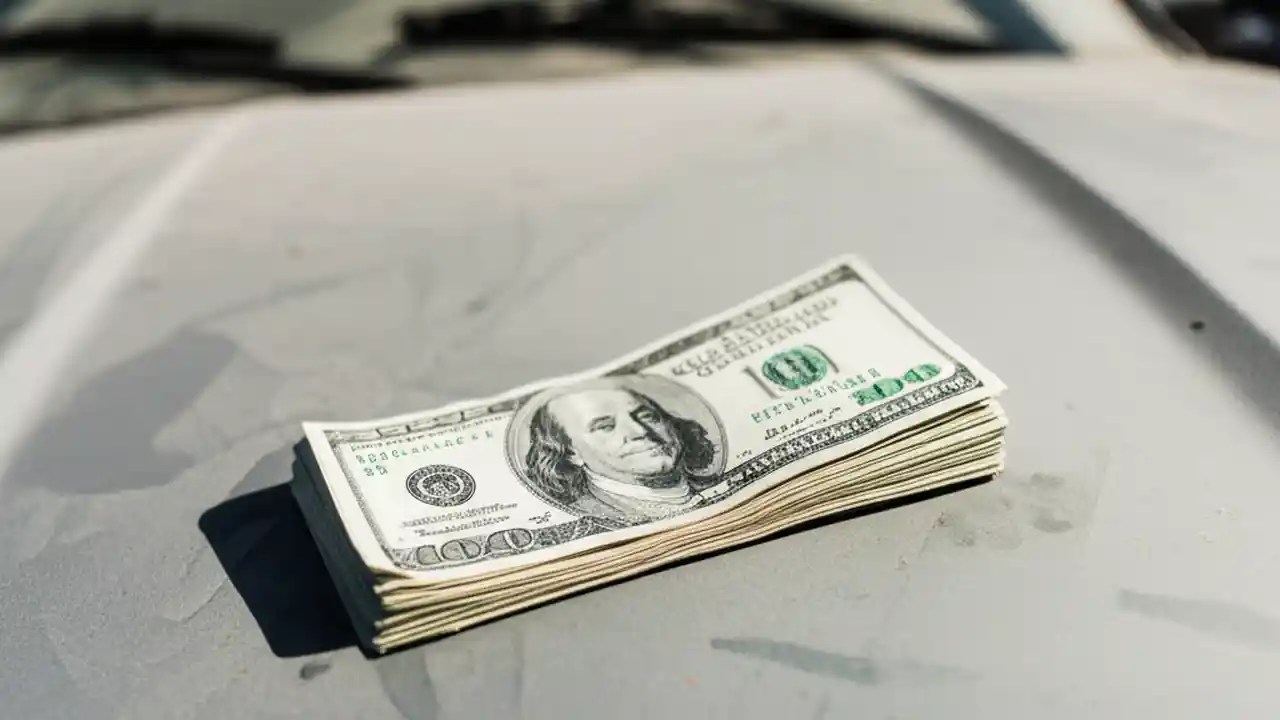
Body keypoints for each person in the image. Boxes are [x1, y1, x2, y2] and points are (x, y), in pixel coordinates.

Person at [524, 384, 719, 523]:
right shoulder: (591, 518)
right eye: (606, 426)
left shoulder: (719, 487)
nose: (640, 431)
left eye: (647, 416)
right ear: (570, 452)